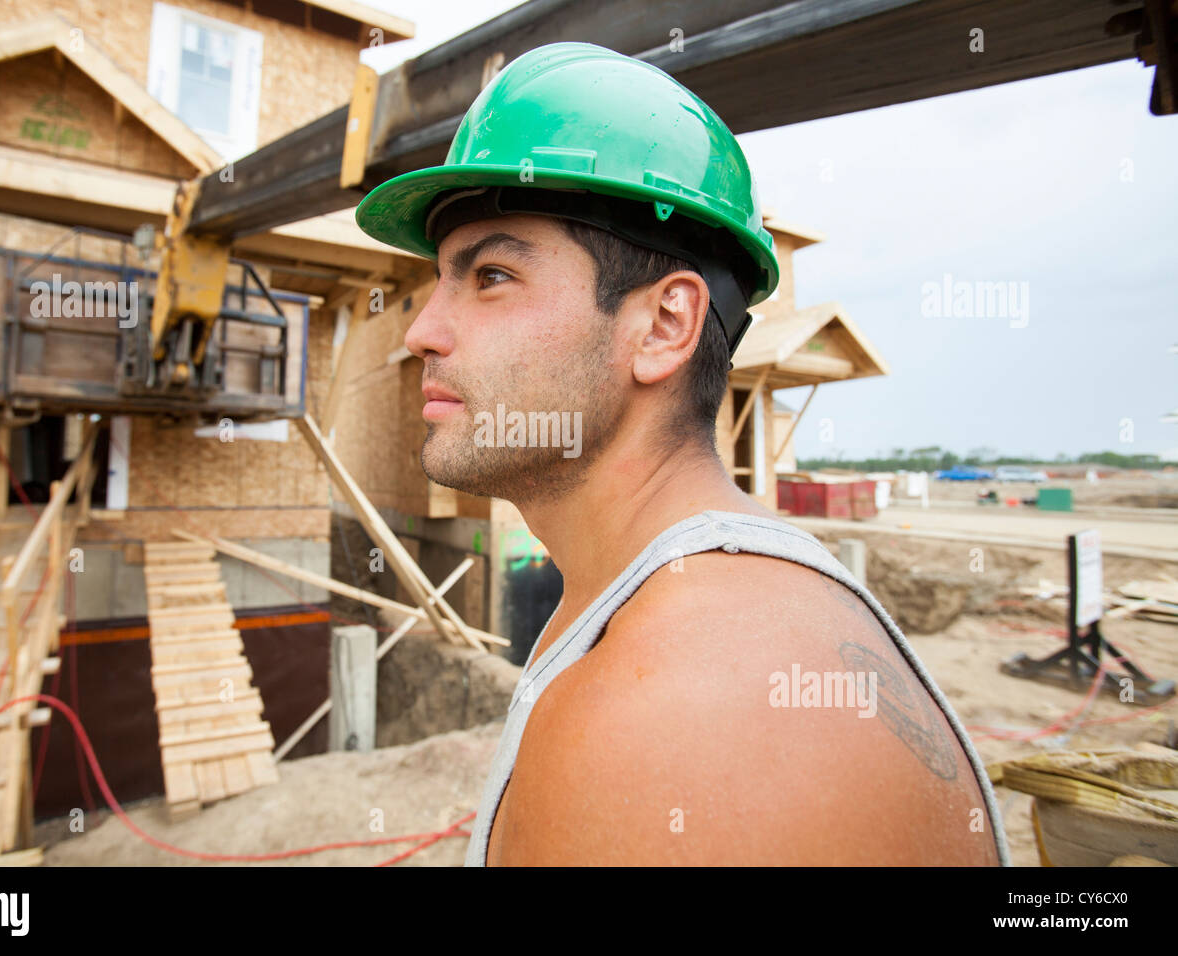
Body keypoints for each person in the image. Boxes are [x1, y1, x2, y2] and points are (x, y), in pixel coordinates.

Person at [355, 42, 1008, 866]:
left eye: (489, 275)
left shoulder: (668, 716)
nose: (422, 332)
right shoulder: (673, 610)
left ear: (664, 326)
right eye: (439, 281)